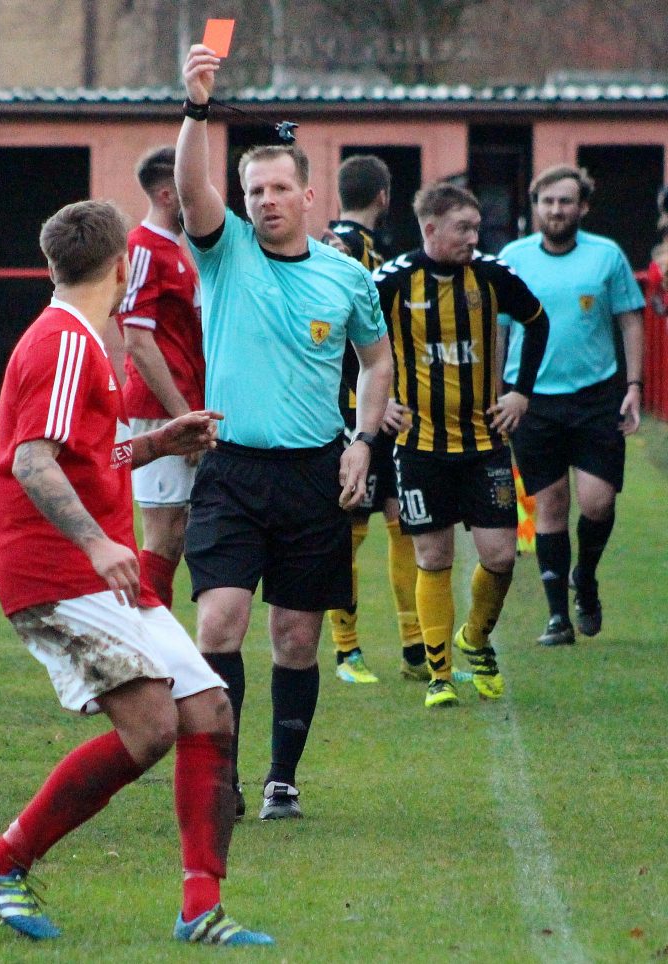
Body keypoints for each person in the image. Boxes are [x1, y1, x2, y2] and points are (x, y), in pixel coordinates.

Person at [0, 199, 273, 946]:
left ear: (50, 263)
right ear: (123, 266)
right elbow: (32, 462)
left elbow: (84, 458)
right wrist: (99, 546)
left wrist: (161, 441)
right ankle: (0, 864)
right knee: (152, 724)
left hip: (97, 575)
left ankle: (201, 909)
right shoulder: (67, 344)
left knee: (208, 710)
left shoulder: (78, 339)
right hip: (59, 575)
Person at [175, 44, 393, 820]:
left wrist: (364, 440)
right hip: (233, 471)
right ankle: (221, 774)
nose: (264, 200)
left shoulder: (348, 277)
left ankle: (281, 779)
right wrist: (198, 108)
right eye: (253, 189)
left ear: (309, 195)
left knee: (296, 641)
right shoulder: (225, 253)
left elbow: (376, 364)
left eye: (278, 188)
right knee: (219, 620)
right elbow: (189, 186)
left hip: (315, 475)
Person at [374, 182, 550, 709]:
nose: (474, 238)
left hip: (485, 442)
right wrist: (374, 406)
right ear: (430, 228)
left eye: (477, 228)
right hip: (419, 444)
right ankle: (439, 675)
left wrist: (521, 390)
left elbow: (538, 324)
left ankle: (474, 637)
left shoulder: (494, 276)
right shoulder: (394, 280)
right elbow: (347, 341)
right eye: (463, 228)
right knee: (434, 555)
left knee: (501, 557)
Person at [499, 165, 645, 646]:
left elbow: (630, 321)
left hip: (596, 395)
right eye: (547, 201)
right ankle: (558, 617)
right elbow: (499, 329)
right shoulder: (513, 258)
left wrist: (634, 384)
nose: (556, 210)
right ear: (535, 206)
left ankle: (586, 574)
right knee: (551, 504)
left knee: (599, 502)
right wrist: (497, 391)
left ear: (582, 207)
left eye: (565, 202)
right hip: (532, 399)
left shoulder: (607, 256)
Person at [322, 155, 428, 685]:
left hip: (375, 413)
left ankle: (413, 649)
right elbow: (340, 332)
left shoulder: (345, 245)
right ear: (384, 196)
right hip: (356, 416)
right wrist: (372, 401)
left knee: (401, 521)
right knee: (355, 531)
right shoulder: (353, 251)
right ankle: (348, 652)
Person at [115, 145, 205, 609]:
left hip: (183, 408)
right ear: (170, 194)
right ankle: (150, 646)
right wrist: (181, 417)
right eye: (191, 186)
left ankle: (157, 647)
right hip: (158, 413)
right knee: (164, 537)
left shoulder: (176, 248)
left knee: (179, 536)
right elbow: (138, 341)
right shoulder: (144, 248)